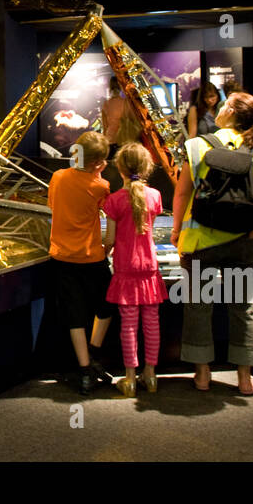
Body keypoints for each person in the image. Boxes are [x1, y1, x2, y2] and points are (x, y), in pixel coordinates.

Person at [172, 92, 253, 395]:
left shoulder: (196, 146)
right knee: (243, 306)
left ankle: (202, 375)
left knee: (198, 307)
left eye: (224, 105)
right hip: (242, 242)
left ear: (232, 111)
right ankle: (245, 379)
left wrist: (176, 231)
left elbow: (183, 194)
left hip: (201, 242)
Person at [47, 130, 115, 394]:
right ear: (99, 163)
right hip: (93, 257)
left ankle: (84, 368)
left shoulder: (58, 177)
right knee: (106, 306)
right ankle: (95, 354)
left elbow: (54, 205)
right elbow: (107, 215)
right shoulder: (102, 186)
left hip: (63, 257)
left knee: (74, 313)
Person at [102, 143, 166, 396]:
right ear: (147, 167)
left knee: (128, 324)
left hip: (125, 267)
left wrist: (101, 254)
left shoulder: (114, 200)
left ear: (119, 168)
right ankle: (150, 375)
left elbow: (110, 240)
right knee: (152, 322)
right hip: (149, 267)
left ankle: (129, 378)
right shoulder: (155, 196)